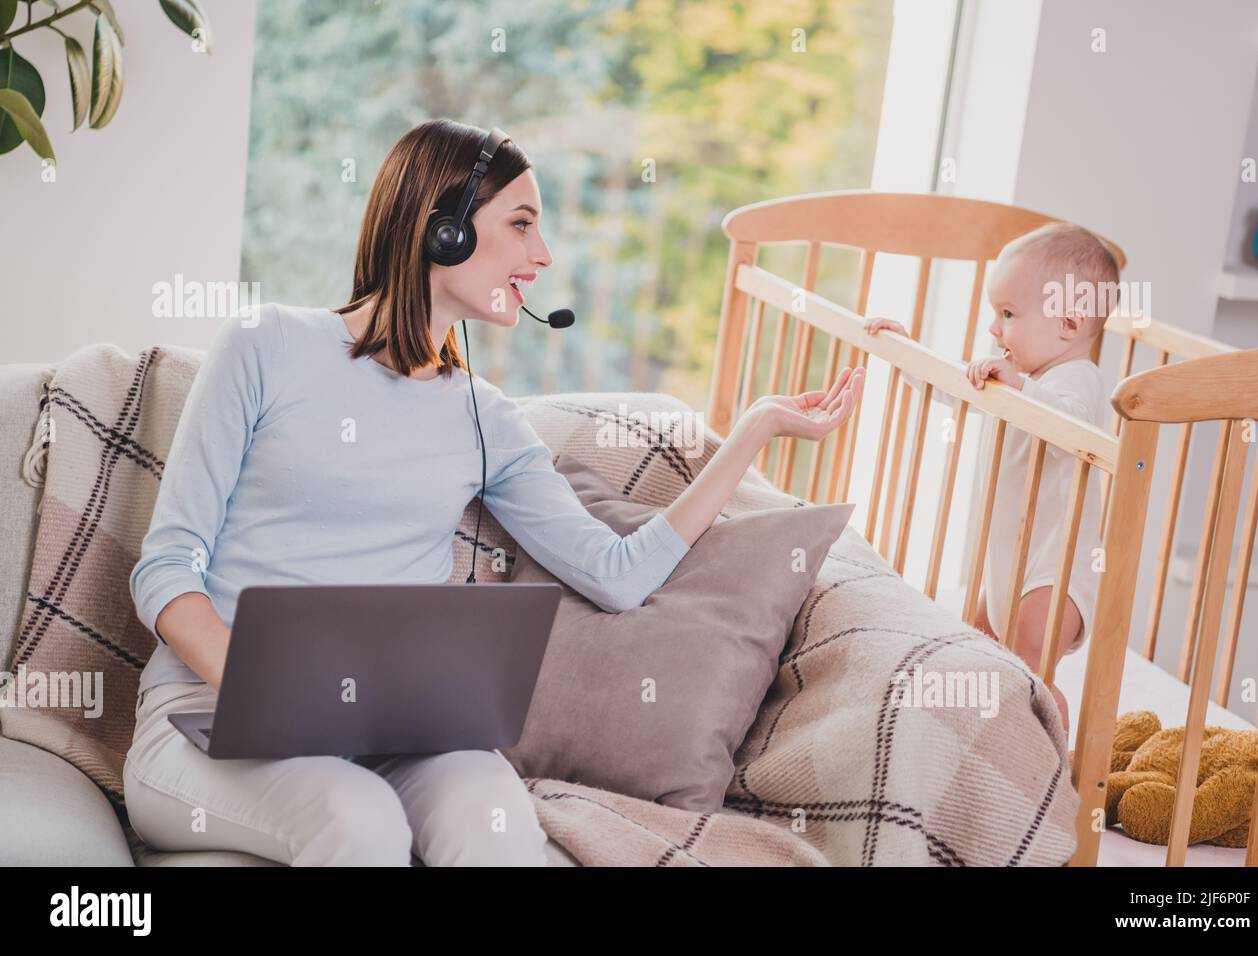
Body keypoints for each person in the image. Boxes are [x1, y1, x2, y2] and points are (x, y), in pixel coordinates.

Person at [123, 118, 866, 866]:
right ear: (441, 229)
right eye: (520, 225)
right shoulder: (265, 345)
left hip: (390, 733)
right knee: (361, 821)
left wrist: (754, 430)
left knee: (497, 820)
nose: (541, 257)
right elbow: (166, 568)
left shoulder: (485, 418)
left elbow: (618, 576)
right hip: (206, 716)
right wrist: (275, 696)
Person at [864, 222, 1119, 738]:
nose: (993, 329)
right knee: (975, 655)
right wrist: (909, 355)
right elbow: (956, 390)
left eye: (1007, 315)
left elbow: (1068, 420)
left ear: (1068, 323)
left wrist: (1020, 386)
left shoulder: (1077, 381)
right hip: (1005, 566)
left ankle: (1053, 769)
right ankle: (972, 745)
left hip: (1054, 569)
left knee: (1032, 675)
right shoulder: (1018, 380)